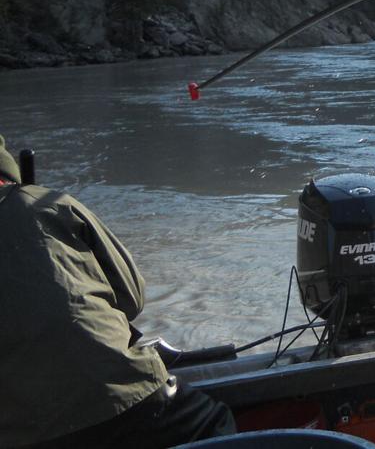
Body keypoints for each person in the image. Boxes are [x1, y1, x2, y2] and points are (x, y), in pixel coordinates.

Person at [0, 134, 235, 448]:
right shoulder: (47, 203)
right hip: (128, 396)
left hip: (24, 435)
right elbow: (131, 297)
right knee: (214, 424)